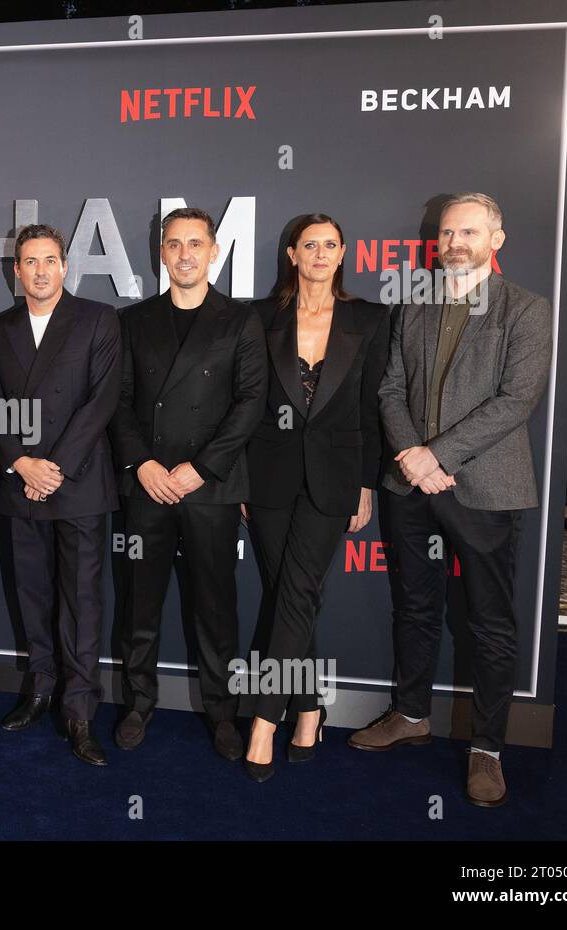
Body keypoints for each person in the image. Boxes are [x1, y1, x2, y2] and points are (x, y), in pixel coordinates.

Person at [350, 192, 552, 808]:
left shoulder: (525, 309)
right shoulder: (414, 304)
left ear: (497, 239)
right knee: (414, 606)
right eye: (447, 232)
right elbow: (389, 388)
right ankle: (411, 714)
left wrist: (438, 456)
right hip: (410, 483)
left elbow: (516, 401)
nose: (455, 242)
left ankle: (487, 749)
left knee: (489, 622)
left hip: (484, 487)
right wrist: (414, 454)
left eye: (469, 231)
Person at [109, 206, 266, 759]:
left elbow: (251, 402)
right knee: (139, 607)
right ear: (161, 253)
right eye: (173, 244)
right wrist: (143, 465)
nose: (184, 254)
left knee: (215, 607)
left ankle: (222, 713)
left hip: (211, 487)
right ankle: (137, 704)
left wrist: (200, 469)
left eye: (194, 243)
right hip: (147, 485)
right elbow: (119, 402)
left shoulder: (241, 320)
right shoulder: (134, 320)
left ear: (213, 252)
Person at [240, 214, 388, 782]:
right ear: (292, 254)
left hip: (335, 478)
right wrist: (243, 479)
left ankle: (264, 720)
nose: (321, 254)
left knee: (296, 593)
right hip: (270, 476)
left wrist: (366, 484)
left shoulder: (368, 320)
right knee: (289, 596)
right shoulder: (261, 318)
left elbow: (373, 409)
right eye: (311, 245)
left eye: (331, 245)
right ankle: (308, 708)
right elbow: (249, 400)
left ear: (343, 252)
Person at [0, 224, 121, 766]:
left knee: (82, 602)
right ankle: (40, 690)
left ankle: (81, 710)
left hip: (79, 481)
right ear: (15, 271)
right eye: (29, 262)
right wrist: (21, 462)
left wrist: (55, 466)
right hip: (22, 482)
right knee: (33, 594)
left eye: (49, 260)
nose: (40, 271)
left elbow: (102, 399)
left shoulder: (98, 319)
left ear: (65, 266)